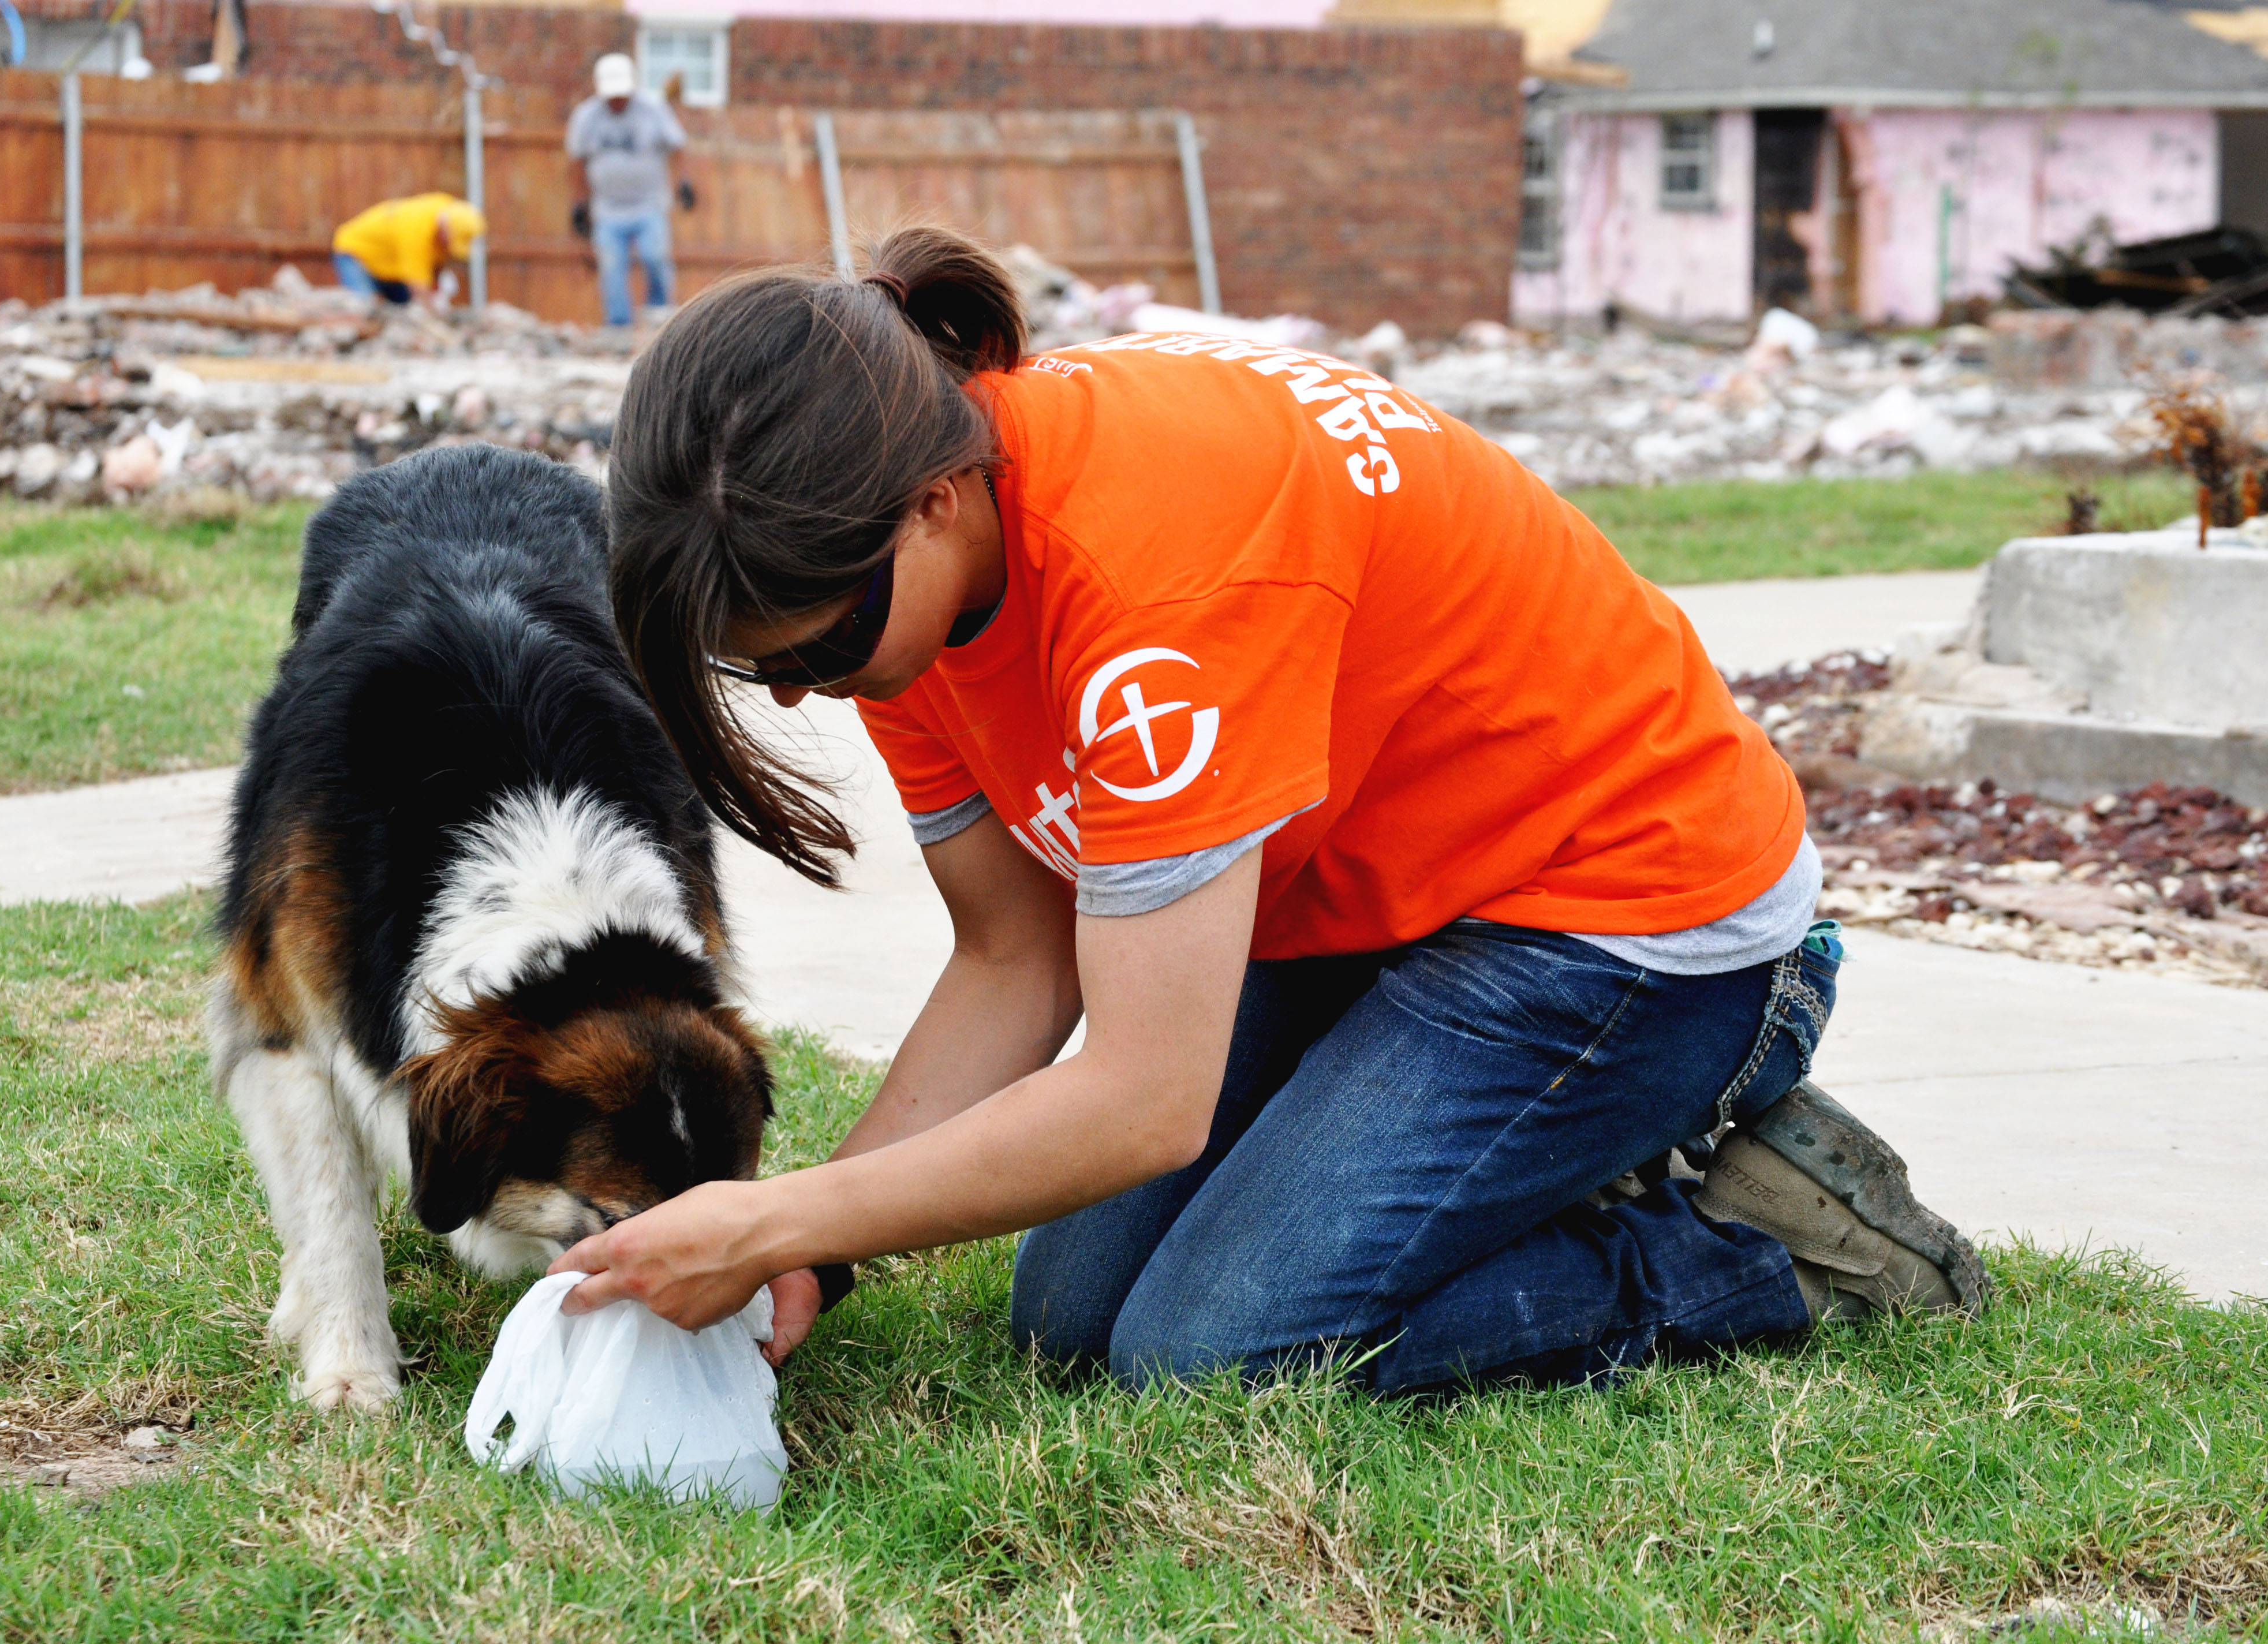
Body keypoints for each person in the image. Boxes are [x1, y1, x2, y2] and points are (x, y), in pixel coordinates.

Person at [556, 226, 1987, 1396]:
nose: (804, 696)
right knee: (1067, 1326)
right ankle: (1494, 1154)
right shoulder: (903, 580)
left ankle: (1745, 1237)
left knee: (1206, 1356)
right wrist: (819, 1243)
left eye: (815, 648)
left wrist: (776, 1211)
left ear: (930, 500)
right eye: (763, 665)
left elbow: (1142, 1096)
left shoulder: (1152, 587)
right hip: (1362, 906)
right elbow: (1017, 953)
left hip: (1617, 919)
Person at [567, 52, 688, 330]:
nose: (618, 101)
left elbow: (678, 146)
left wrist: (683, 183)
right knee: (612, 269)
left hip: (649, 205)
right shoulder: (587, 117)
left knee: (655, 259)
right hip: (608, 209)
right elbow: (576, 161)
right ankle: (618, 327)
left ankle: (659, 319)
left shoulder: (653, 110)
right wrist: (579, 205)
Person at [330, 192, 483, 309]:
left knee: (401, 306)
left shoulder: (447, 216)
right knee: (365, 306)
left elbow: (434, 270)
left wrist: (437, 294)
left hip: (388, 265)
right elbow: (418, 286)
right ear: (444, 231)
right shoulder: (417, 228)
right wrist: (434, 317)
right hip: (355, 252)